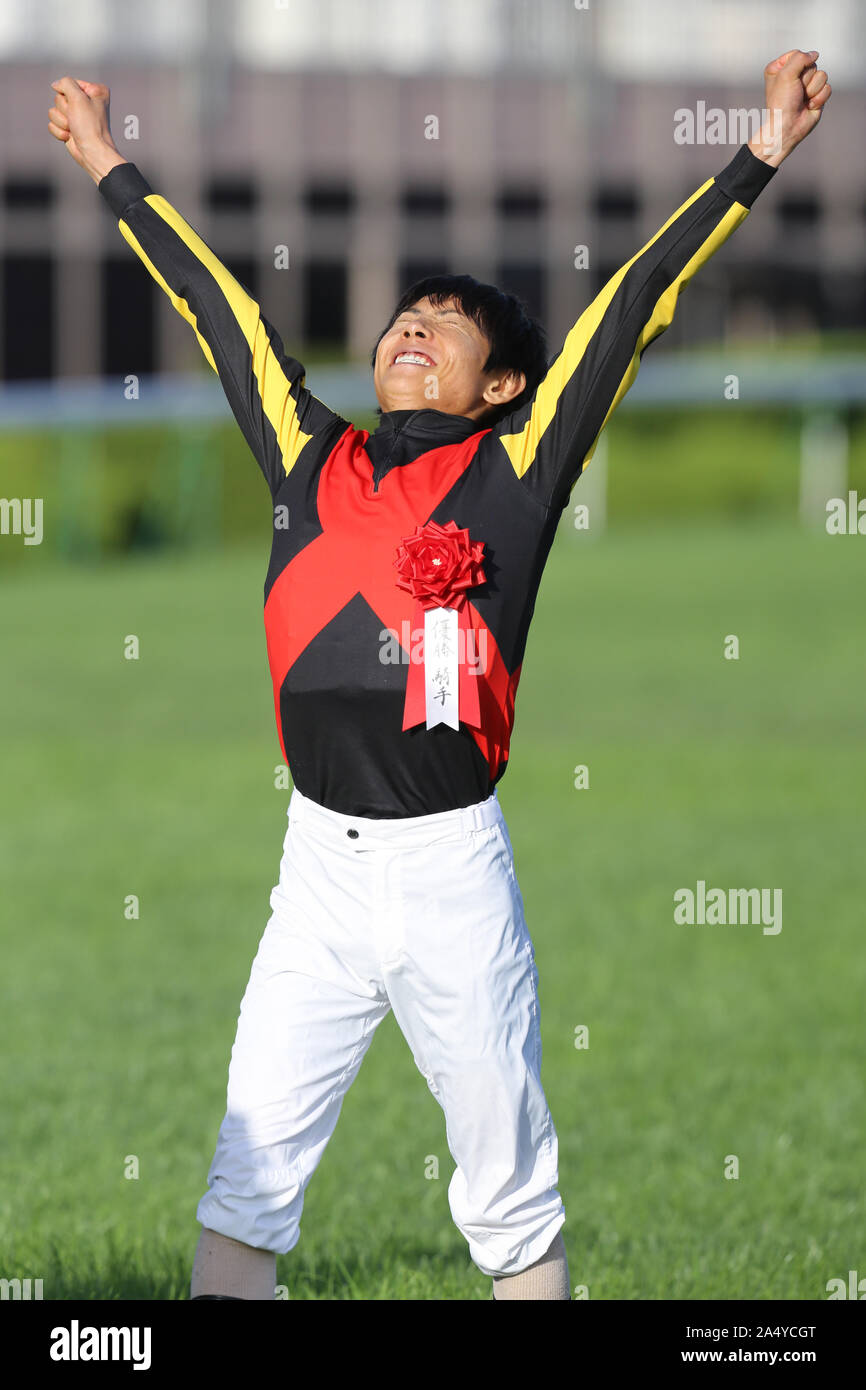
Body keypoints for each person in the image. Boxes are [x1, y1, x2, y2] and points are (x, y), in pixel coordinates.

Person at [48, 49, 831, 1301]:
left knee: (505, 1195)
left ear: (503, 385)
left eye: (446, 326)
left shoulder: (517, 468)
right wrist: (106, 163)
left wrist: (758, 154)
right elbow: (215, 308)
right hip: (314, 875)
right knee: (247, 1175)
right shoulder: (309, 451)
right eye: (403, 316)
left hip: (448, 874)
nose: (410, 329)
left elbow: (634, 301)